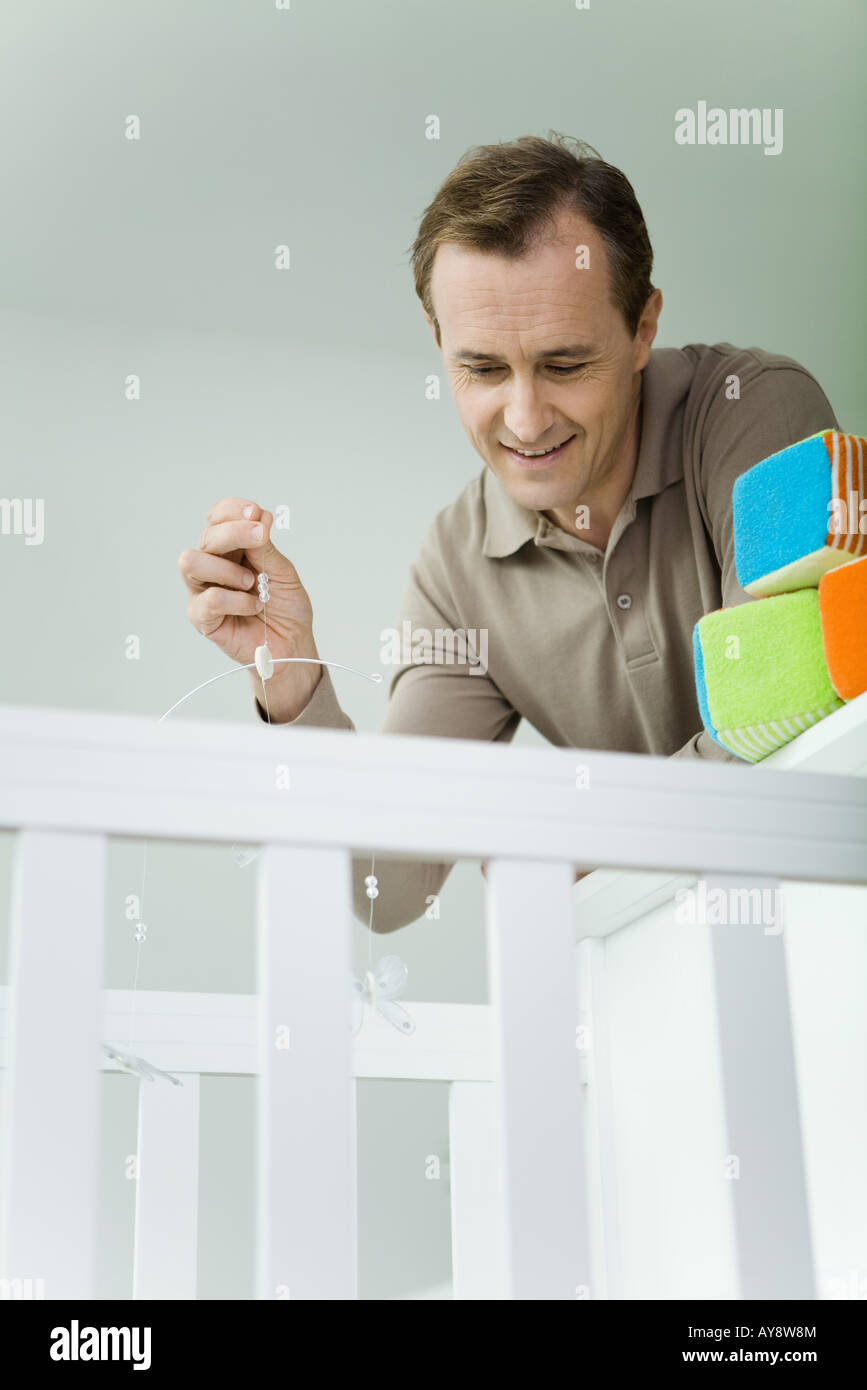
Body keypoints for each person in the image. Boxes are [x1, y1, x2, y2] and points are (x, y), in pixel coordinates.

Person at [177, 134, 838, 933]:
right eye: (483, 370)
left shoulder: (753, 410)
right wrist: (288, 683)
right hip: (672, 968)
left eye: (564, 364)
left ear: (642, 327)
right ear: (437, 345)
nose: (524, 421)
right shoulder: (455, 569)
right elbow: (388, 884)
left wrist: (567, 839)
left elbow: (786, 697)